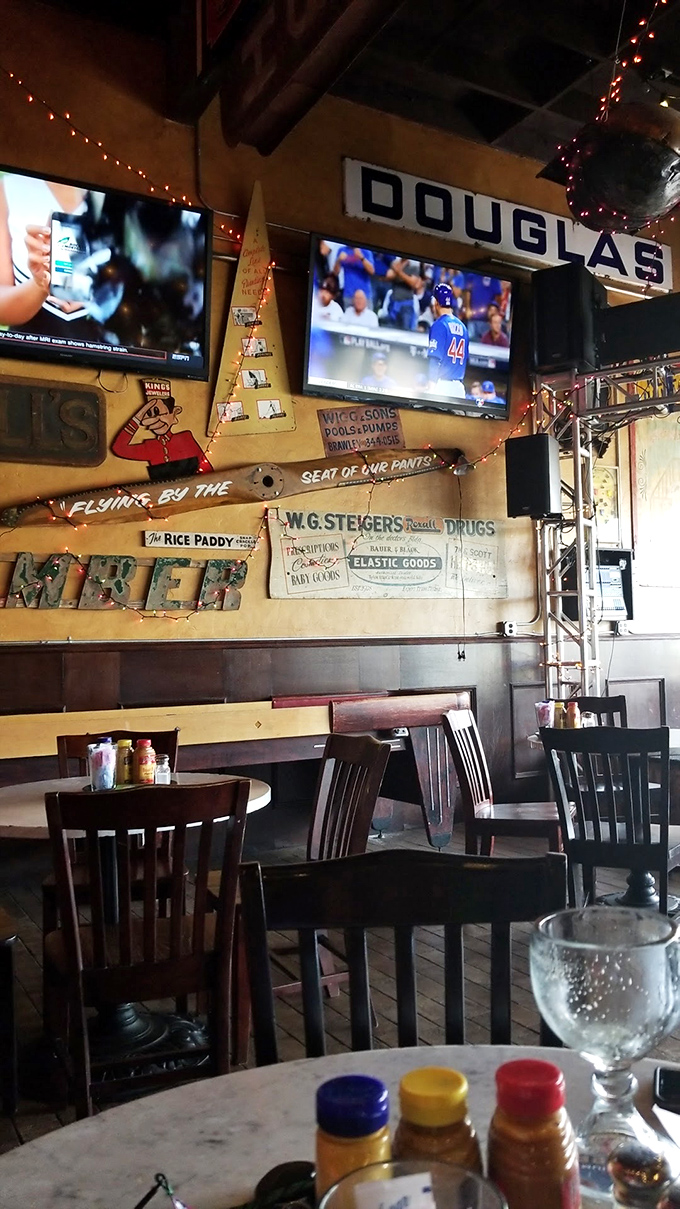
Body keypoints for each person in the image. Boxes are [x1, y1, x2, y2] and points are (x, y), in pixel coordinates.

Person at [112, 395, 212, 481]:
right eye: (150, 415)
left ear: (173, 414)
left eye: (161, 414)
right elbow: (119, 448)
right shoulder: (150, 447)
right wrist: (138, 417)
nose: (156, 420)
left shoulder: (185, 438)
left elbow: (208, 472)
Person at [426, 282, 469, 399]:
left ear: (435, 302)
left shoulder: (439, 325)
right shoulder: (463, 327)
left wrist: (431, 387)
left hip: (442, 387)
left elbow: (435, 360)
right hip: (459, 389)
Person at [385, 257, 422, 331]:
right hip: (394, 302)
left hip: (406, 304)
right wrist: (401, 267)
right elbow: (388, 275)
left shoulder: (414, 266)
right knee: (390, 329)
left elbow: (413, 283)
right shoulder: (396, 263)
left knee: (406, 330)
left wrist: (399, 272)